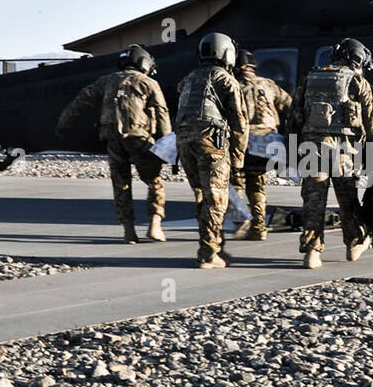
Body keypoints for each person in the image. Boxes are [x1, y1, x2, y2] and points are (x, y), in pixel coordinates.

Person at [56, 44, 170, 244]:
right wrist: (168, 145)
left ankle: (129, 231)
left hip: (112, 139)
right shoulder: (149, 83)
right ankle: (155, 224)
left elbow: (82, 99)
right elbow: (162, 114)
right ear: (144, 62)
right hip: (139, 138)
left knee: (121, 184)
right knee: (154, 181)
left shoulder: (106, 81)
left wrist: (64, 122)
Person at [292, 36, 373, 269]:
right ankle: (354, 244)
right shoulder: (357, 82)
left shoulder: (310, 77)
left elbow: (295, 116)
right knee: (348, 200)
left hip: (311, 148)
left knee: (313, 202)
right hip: (344, 150)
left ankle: (312, 253)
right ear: (357, 60)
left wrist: (293, 148)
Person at [175, 32, 247, 269]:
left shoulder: (188, 78)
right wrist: (238, 159)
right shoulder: (226, 79)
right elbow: (239, 121)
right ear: (228, 53)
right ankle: (208, 253)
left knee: (203, 195)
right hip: (210, 142)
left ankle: (212, 245)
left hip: (185, 142)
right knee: (216, 199)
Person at [232, 49, 293, 240]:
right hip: (267, 143)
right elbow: (290, 104)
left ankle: (241, 218)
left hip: (242, 142)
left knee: (235, 184)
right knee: (257, 185)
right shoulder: (269, 84)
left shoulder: (232, 85)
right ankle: (259, 228)